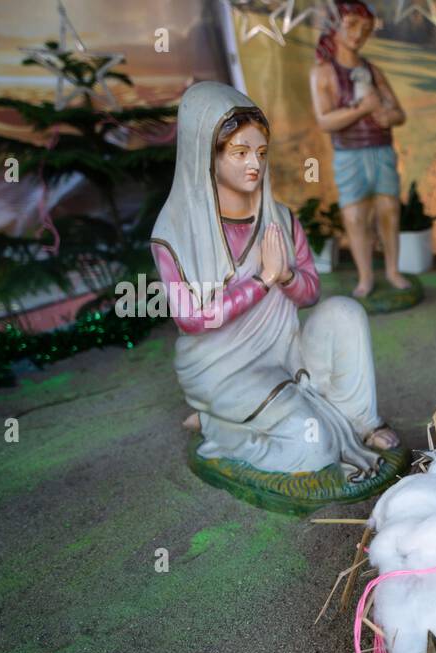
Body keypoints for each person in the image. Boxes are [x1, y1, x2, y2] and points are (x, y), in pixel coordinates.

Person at [151, 81, 398, 482]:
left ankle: (360, 420)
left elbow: (311, 292)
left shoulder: (279, 218)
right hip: (225, 371)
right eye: (240, 152)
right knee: (314, 447)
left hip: (284, 353)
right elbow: (192, 319)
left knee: (344, 311)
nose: (255, 164)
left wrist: (285, 276)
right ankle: (223, 427)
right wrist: (263, 281)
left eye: (261, 153)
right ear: (206, 155)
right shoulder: (175, 233)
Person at [310, 0, 411, 297]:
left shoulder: (373, 71)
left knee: (389, 210)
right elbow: (325, 120)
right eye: (351, 25)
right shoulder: (323, 73)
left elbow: (399, 113)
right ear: (335, 26)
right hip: (349, 155)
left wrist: (385, 115)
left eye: (365, 29)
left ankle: (393, 271)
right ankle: (365, 277)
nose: (358, 34)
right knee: (355, 217)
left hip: (381, 150)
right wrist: (361, 109)